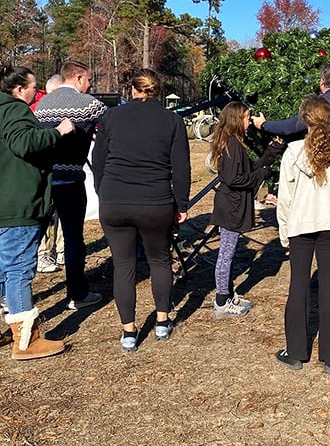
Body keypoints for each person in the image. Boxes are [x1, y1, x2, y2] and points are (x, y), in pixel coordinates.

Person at [92, 69, 191, 352]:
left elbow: (98, 161)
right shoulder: (172, 120)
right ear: (157, 91)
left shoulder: (110, 117)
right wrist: (181, 204)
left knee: (123, 265)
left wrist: (104, 192)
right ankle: (161, 321)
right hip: (155, 200)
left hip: (115, 199)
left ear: (132, 90)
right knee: (159, 260)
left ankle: (129, 331)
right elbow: (181, 168)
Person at [253, 62, 330, 271]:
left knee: (322, 209)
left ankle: (323, 259)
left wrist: (264, 125)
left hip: (323, 162)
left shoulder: (323, 104)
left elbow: (292, 125)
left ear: (322, 82)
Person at [276, 96, 330, 373]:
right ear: (329, 118)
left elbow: (284, 198)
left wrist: (284, 229)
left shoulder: (293, 152)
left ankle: (295, 352)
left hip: (301, 225)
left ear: (304, 119)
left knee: (298, 286)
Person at [0, 65, 74, 360]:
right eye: (32, 87)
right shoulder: (16, 111)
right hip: (19, 203)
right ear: (19, 90)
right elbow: (23, 143)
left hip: (5, 201)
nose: (36, 92)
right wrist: (57, 132)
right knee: (18, 269)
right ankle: (26, 340)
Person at [34, 60, 108, 309]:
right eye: (88, 80)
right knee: (74, 238)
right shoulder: (88, 104)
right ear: (78, 78)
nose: (90, 85)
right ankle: (77, 293)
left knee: (33, 237)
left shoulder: (43, 104)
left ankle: (11, 294)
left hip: (44, 181)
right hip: (71, 180)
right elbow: (112, 124)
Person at [208, 101, 284, 318]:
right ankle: (221, 302)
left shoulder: (234, 143)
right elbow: (235, 178)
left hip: (234, 204)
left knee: (229, 253)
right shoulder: (231, 145)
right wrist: (262, 175)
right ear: (236, 120)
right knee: (226, 254)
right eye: (246, 118)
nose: (249, 121)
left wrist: (271, 153)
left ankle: (229, 294)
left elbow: (251, 169)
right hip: (230, 206)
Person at [34, 74, 65, 273]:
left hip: (62, 168)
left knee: (62, 212)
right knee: (44, 213)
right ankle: (43, 253)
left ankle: (61, 249)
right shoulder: (36, 108)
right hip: (43, 169)